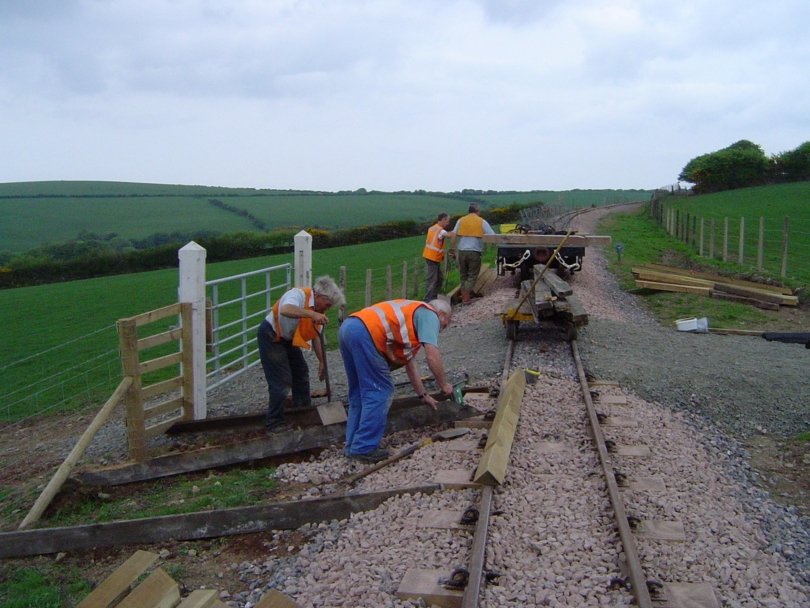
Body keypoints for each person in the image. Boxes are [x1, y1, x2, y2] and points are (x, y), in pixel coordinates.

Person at [338, 298, 454, 463]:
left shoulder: (410, 319)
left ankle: (351, 446)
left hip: (349, 328)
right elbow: (432, 355)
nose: (441, 329)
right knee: (380, 391)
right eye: (445, 324)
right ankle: (363, 447)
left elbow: (410, 366)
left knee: (358, 393)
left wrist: (423, 395)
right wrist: (443, 384)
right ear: (441, 314)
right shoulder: (430, 314)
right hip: (367, 332)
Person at [256, 276, 345, 433]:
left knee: (301, 373)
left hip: (288, 339)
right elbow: (285, 310)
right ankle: (274, 422)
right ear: (319, 296)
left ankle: (303, 411)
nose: (327, 308)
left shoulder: (316, 310)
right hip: (271, 336)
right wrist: (311, 315)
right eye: (327, 304)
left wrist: (322, 361)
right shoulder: (297, 295)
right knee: (281, 380)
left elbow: (315, 335)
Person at [451, 203, 496, 303]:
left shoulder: (461, 220)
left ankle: (464, 297)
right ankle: (466, 299)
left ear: (468, 211)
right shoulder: (481, 221)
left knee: (463, 275)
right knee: (472, 276)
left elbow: (453, 235)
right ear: (477, 211)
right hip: (474, 251)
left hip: (461, 251)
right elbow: (492, 235)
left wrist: (452, 249)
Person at [422, 212, 454, 301]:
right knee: (432, 279)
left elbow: (436, 242)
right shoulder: (441, 230)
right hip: (432, 257)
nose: (448, 223)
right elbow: (450, 236)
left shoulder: (432, 228)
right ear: (443, 220)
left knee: (439, 278)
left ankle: (434, 296)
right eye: (447, 221)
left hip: (430, 256)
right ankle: (428, 300)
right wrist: (452, 250)